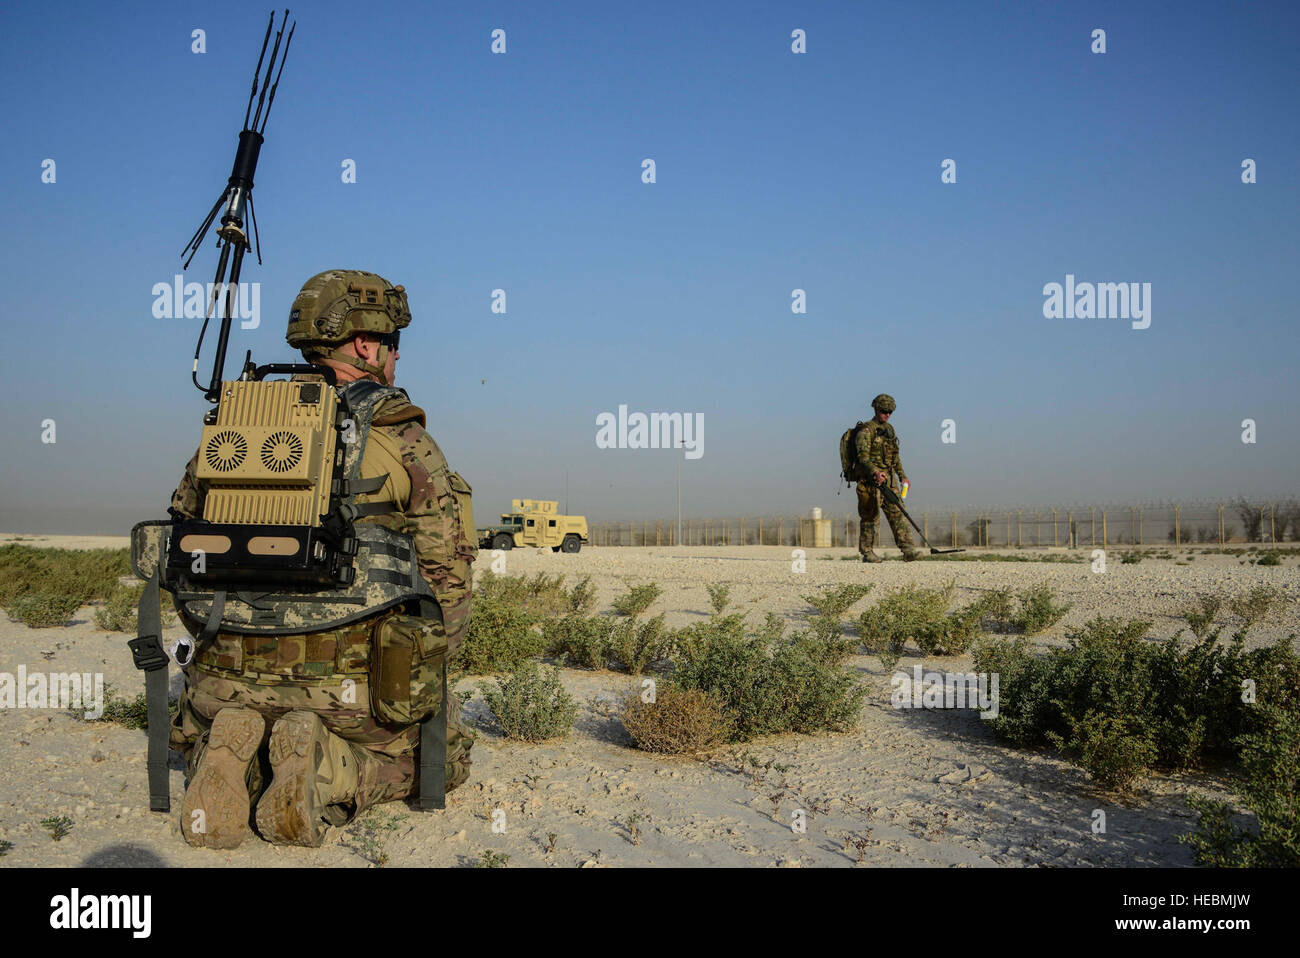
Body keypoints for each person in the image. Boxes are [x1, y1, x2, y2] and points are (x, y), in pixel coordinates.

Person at [167, 269, 478, 848]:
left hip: (220, 677)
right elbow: (449, 584)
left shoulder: (232, 427)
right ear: (365, 344)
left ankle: (229, 742)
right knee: (447, 756)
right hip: (347, 694)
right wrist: (422, 672)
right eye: (392, 345)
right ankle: (324, 764)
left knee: (222, 709)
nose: (395, 360)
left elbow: (179, 555)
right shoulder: (400, 435)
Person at [855, 394, 922, 563]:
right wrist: (876, 472)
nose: (887, 414)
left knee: (898, 513)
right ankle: (867, 552)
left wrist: (903, 476)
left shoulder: (889, 430)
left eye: (890, 412)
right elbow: (862, 458)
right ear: (876, 409)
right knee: (871, 517)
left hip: (889, 481)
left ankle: (908, 550)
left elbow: (895, 457)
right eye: (884, 411)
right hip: (871, 482)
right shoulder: (865, 431)